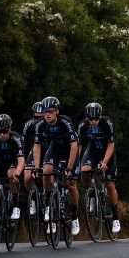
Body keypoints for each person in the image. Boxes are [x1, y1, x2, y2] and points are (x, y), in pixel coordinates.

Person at [33, 96, 80, 236]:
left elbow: (74, 145)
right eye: (44, 111)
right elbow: (36, 147)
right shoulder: (40, 124)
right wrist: (36, 167)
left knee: (71, 185)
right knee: (46, 171)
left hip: (70, 151)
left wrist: (70, 168)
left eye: (50, 111)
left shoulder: (65, 121)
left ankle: (75, 215)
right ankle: (48, 203)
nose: (47, 114)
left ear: (57, 112)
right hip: (55, 149)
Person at [76, 102, 121, 233]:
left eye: (96, 118)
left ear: (100, 116)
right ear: (86, 117)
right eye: (91, 119)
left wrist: (105, 162)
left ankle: (115, 218)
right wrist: (76, 162)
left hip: (107, 152)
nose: (94, 121)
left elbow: (111, 145)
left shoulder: (107, 123)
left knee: (110, 185)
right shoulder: (83, 125)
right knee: (84, 170)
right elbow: (79, 146)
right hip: (93, 151)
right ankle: (91, 194)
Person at [0, 114, 25, 220]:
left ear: (10, 128)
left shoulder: (17, 138)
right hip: (0, 163)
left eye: (4, 131)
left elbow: (21, 159)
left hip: (14, 161)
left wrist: (18, 173)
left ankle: (16, 205)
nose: (2, 135)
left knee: (11, 174)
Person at [21, 101, 44, 215]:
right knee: (27, 177)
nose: (38, 120)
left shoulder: (49, 123)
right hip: (35, 150)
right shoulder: (29, 124)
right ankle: (33, 198)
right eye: (36, 117)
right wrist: (21, 158)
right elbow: (23, 142)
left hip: (50, 149)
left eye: (41, 117)